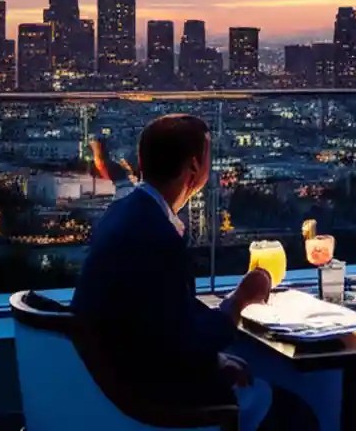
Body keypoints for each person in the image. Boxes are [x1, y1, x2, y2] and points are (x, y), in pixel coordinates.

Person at [72, 114, 276, 431]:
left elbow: (157, 323)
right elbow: (181, 341)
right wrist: (241, 299)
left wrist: (212, 359)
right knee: (291, 412)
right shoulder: (156, 235)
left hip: (119, 386)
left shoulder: (123, 213)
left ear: (142, 161)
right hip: (155, 401)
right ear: (194, 166)